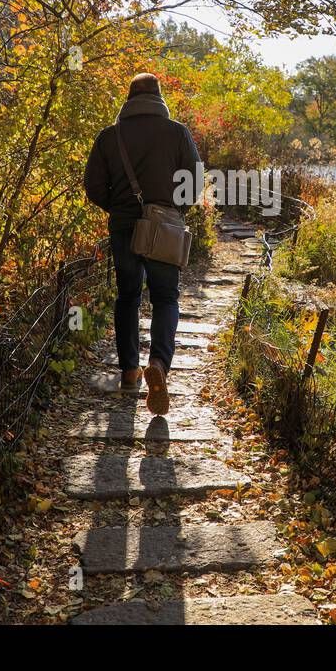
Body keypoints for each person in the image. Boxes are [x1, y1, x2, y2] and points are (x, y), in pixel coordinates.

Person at [83, 73, 200, 415]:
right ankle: (160, 364)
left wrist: (118, 208)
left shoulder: (110, 136)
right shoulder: (177, 132)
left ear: (129, 98)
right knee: (165, 297)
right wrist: (174, 210)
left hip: (123, 228)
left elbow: (92, 186)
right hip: (164, 226)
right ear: (159, 97)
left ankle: (130, 372)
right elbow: (193, 184)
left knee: (128, 297)